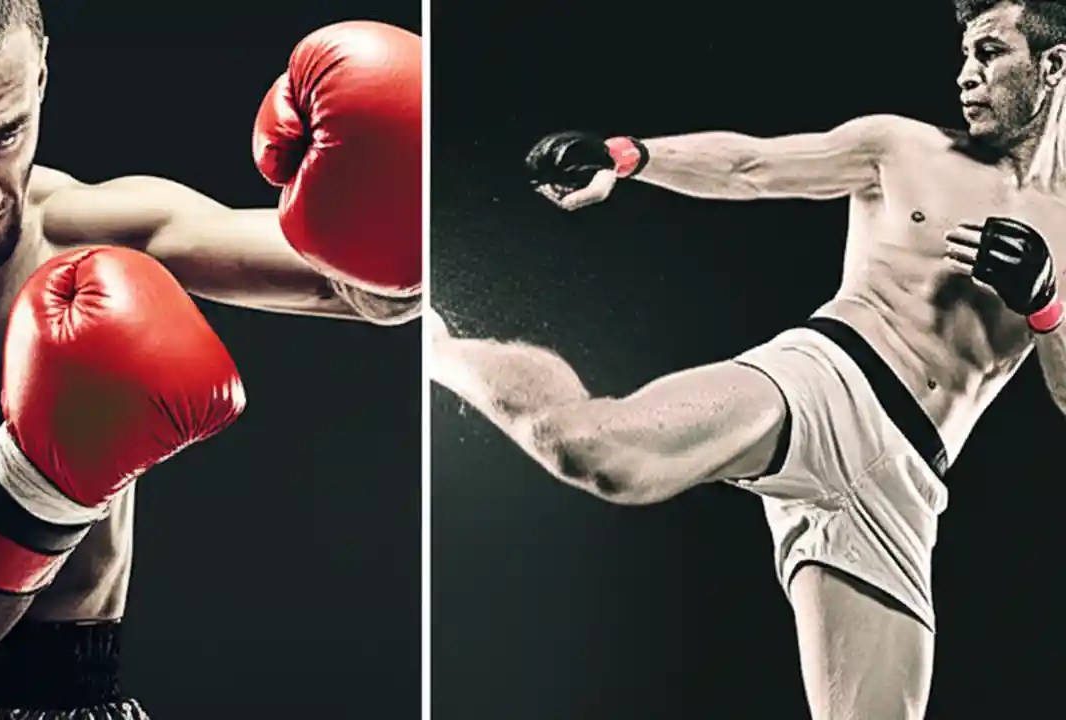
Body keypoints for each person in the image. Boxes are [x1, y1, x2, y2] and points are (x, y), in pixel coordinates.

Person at [431, 1, 1066, 717]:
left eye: (989, 53)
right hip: (827, 380)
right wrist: (627, 155)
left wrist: (1046, 303)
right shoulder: (904, 147)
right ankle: (434, 344)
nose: (965, 75)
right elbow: (753, 165)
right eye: (963, 54)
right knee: (596, 451)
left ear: (1052, 66)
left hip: (908, 482)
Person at [0, 1, 420, 717]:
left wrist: (400, 197)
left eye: (3, 135)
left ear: (42, 77)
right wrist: (50, 468)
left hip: (80, 693)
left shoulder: (100, 227)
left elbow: (372, 290)